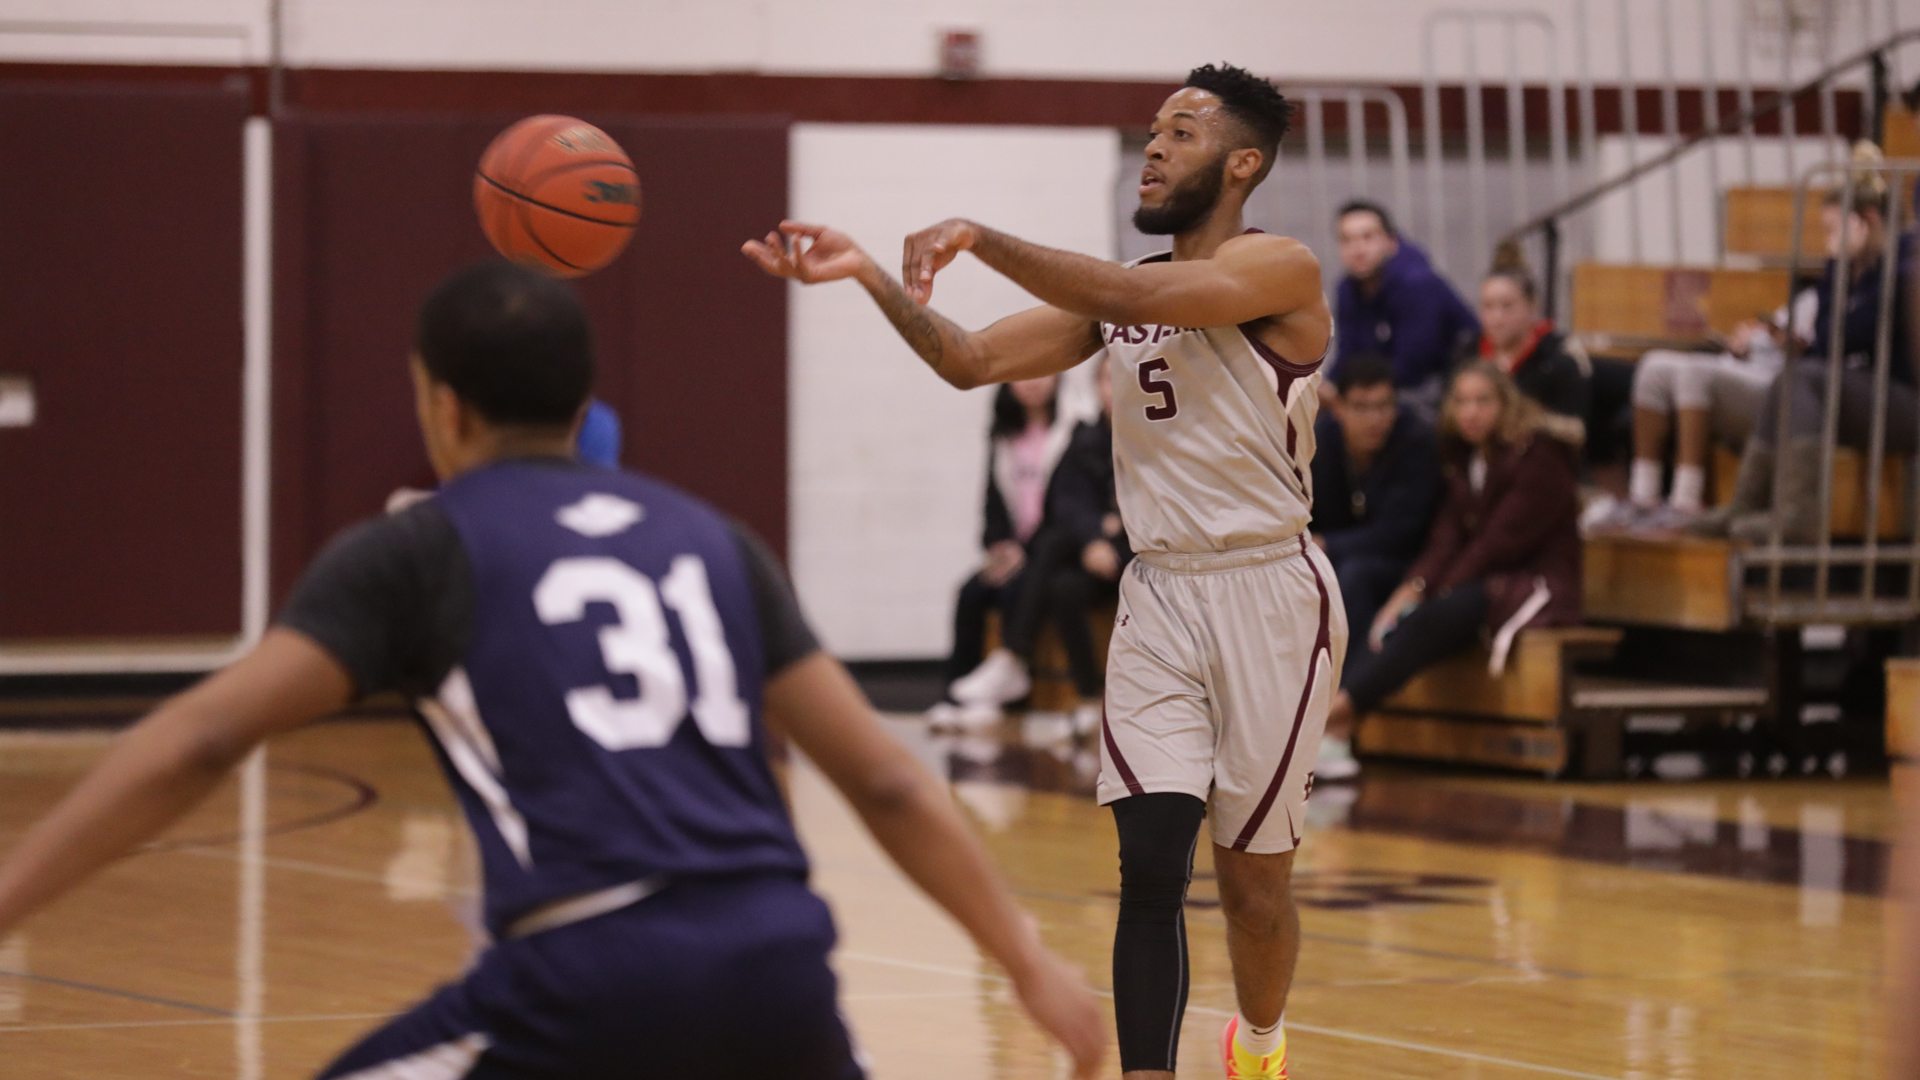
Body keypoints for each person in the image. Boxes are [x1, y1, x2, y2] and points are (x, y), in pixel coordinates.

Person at [0, 262, 1104, 1080]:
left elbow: (199, 738)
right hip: (780, 965)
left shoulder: (419, 546)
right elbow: (890, 780)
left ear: (443, 406)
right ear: (587, 408)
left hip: (594, 972)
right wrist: (1025, 959)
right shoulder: (712, 539)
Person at [748, 61, 1338, 1080]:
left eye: (1183, 133)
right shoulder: (1122, 297)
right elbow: (969, 357)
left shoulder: (1278, 267)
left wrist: (979, 234)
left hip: (1269, 593)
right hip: (1158, 594)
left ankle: (1263, 1044)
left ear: (1244, 163)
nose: (1154, 146)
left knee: (1253, 892)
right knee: (1150, 862)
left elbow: (1121, 288)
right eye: (1152, 129)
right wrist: (869, 277)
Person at [1322, 362, 1582, 740]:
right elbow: (1446, 536)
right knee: (1395, 617)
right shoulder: (1464, 456)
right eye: (1461, 402)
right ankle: (1342, 713)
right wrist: (1413, 587)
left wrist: (1436, 591)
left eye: (1482, 401)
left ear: (1506, 404)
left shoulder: (1540, 456)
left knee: (1432, 614)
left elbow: (1498, 543)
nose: (1470, 412)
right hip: (1489, 580)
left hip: (1538, 586)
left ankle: (1342, 709)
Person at [1699, 177, 1916, 545]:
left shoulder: (1903, 270)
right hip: (1871, 395)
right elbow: (1826, 341)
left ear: (1868, 220)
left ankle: (1799, 516)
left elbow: (1841, 338)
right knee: (1791, 378)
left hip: (1907, 401)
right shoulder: (1858, 273)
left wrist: (1835, 270)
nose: (1829, 242)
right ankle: (1746, 503)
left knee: (1807, 378)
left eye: (1834, 230)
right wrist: (1838, 270)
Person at [1308, 353, 1441, 779]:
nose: (1375, 418)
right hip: (1338, 562)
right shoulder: (1321, 442)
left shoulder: (1418, 442)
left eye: (1385, 406)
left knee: (1355, 576)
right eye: (1362, 408)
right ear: (1339, 407)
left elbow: (1401, 532)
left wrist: (1326, 544)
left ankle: (1336, 719)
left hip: (1405, 568)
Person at [1586, 292, 1814, 534]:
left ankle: (1686, 502)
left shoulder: (1841, 306)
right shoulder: (1808, 298)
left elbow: (1819, 357)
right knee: (1653, 366)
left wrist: (1789, 345)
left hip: (1784, 386)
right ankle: (1643, 499)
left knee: (1695, 372)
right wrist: (1749, 340)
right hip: (1745, 368)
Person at [934, 376, 1073, 723]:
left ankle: (1010, 682)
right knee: (971, 592)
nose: (1033, 383)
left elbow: (1066, 507)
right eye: (1022, 375)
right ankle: (957, 693)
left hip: (1051, 549)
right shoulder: (1004, 436)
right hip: (1015, 548)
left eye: (1043, 373)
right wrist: (998, 545)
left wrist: (1024, 551)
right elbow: (993, 501)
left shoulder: (1072, 431)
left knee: (1015, 589)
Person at [1024, 359, 1134, 737]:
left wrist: (1115, 536)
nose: (1115, 388)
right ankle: (1089, 697)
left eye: (1124, 378)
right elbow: (1064, 501)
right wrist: (1093, 537)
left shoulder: (1161, 439)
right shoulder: (1086, 437)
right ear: (1095, 385)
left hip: (1142, 557)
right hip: (1098, 558)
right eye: (1107, 379)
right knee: (1064, 587)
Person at [1331, 199, 1481, 419]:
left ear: (1391, 242)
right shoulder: (1347, 289)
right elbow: (1347, 354)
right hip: (1391, 384)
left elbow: (1413, 366)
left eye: (1367, 237)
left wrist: (1352, 395)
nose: (1358, 249)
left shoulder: (1417, 283)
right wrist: (1329, 387)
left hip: (1445, 383)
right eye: (1347, 240)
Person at [1468, 265, 1590, 444]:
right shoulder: (1467, 356)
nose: (1497, 317)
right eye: (1488, 306)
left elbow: (1576, 431)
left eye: (1507, 306)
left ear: (1532, 306)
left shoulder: (1558, 360)